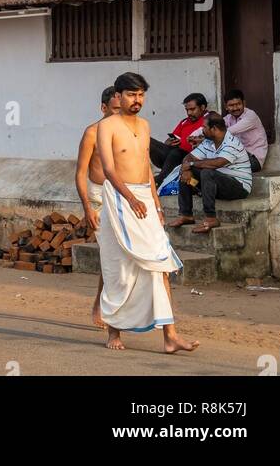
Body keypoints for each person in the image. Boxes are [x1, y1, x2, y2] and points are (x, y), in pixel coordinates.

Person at [96, 73, 197, 354]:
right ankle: (114, 331)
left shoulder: (144, 124)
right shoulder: (108, 127)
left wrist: (155, 202)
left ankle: (170, 336)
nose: (137, 100)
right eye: (131, 94)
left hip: (144, 198)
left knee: (160, 265)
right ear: (118, 96)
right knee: (118, 266)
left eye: (140, 94)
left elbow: (145, 168)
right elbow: (108, 169)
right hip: (119, 197)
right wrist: (130, 198)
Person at [74, 86, 122, 327]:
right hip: (98, 196)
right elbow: (81, 173)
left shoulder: (128, 131)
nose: (117, 114)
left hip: (124, 196)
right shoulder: (92, 133)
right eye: (113, 110)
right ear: (103, 108)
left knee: (123, 254)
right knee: (109, 252)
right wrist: (87, 208)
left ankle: (115, 305)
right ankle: (101, 303)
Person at [171, 111, 253, 233]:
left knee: (207, 172)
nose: (202, 130)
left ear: (214, 128)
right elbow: (189, 157)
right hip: (214, 186)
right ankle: (186, 214)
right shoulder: (208, 142)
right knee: (186, 172)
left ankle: (210, 218)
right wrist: (186, 168)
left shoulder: (232, 143)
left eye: (204, 127)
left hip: (238, 188)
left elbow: (217, 163)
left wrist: (191, 165)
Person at [148, 94, 208, 188]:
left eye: (192, 109)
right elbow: (173, 137)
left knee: (177, 152)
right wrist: (168, 142)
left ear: (203, 107)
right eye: (187, 110)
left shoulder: (209, 120)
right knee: (147, 141)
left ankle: (160, 180)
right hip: (172, 158)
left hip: (191, 160)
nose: (189, 113)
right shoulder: (184, 121)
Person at [223, 90, 268, 171]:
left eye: (238, 104)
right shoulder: (228, 118)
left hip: (253, 160)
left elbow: (229, 131)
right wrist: (195, 136)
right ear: (226, 106)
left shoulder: (250, 116)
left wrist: (210, 134)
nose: (235, 108)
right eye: (231, 105)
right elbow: (213, 125)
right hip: (238, 156)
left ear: (244, 103)